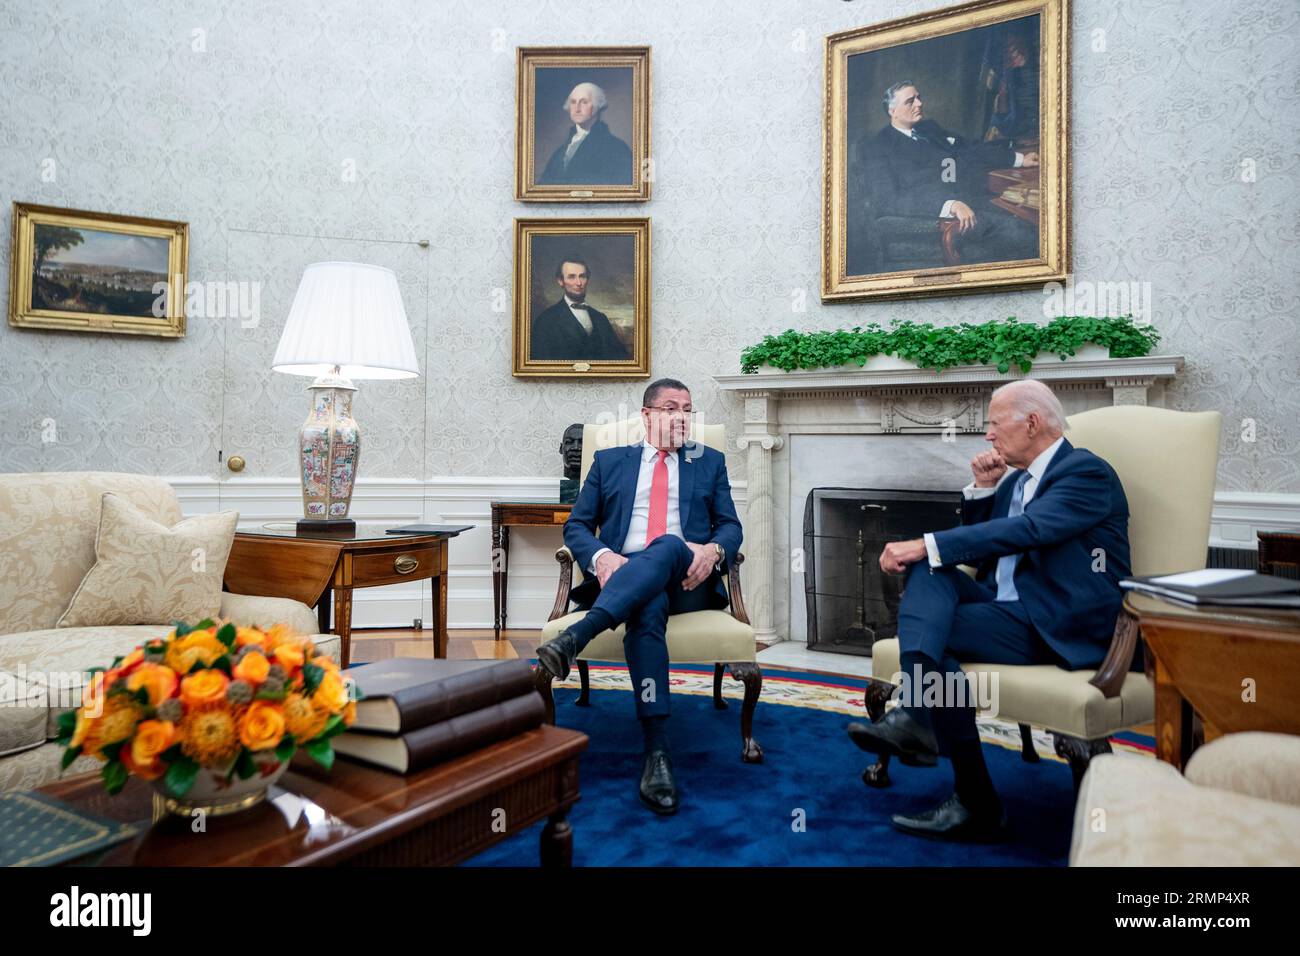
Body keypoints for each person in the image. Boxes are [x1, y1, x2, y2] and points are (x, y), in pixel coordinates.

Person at [846, 379, 1131, 840]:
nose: (988, 436)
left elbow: (1032, 530)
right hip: (1007, 611)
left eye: (995, 424)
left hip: (1057, 622)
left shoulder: (1086, 473)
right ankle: (924, 726)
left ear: (1032, 422)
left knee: (934, 616)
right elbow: (980, 557)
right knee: (932, 574)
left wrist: (924, 543)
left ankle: (962, 783)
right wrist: (981, 490)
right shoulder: (1014, 480)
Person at [535, 379, 742, 815]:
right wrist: (603, 558)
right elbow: (576, 527)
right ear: (647, 415)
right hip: (623, 578)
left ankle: (577, 635)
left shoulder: (711, 462)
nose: (681, 416)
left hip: (688, 580)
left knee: (668, 544)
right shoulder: (610, 461)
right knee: (647, 605)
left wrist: (713, 550)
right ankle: (657, 751)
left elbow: (730, 526)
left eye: (688, 409)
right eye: (670, 407)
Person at [860, 80, 1039, 266]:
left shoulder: (928, 129)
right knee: (1027, 233)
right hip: (945, 219)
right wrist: (949, 204)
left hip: (977, 199)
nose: (919, 104)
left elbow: (970, 149)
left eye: (919, 98)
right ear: (892, 111)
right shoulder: (878, 147)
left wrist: (1018, 159)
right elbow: (888, 200)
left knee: (1032, 216)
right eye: (910, 101)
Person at [530, 257, 629, 361]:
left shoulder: (601, 318)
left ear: (588, 279)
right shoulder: (545, 320)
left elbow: (620, 358)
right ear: (560, 281)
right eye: (571, 277)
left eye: (582, 276)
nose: (579, 283)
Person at [538, 81, 634, 185]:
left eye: (584, 102)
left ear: (598, 105)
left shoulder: (616, 148)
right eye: (573, 102)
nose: (577, 108)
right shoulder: (559, 153)